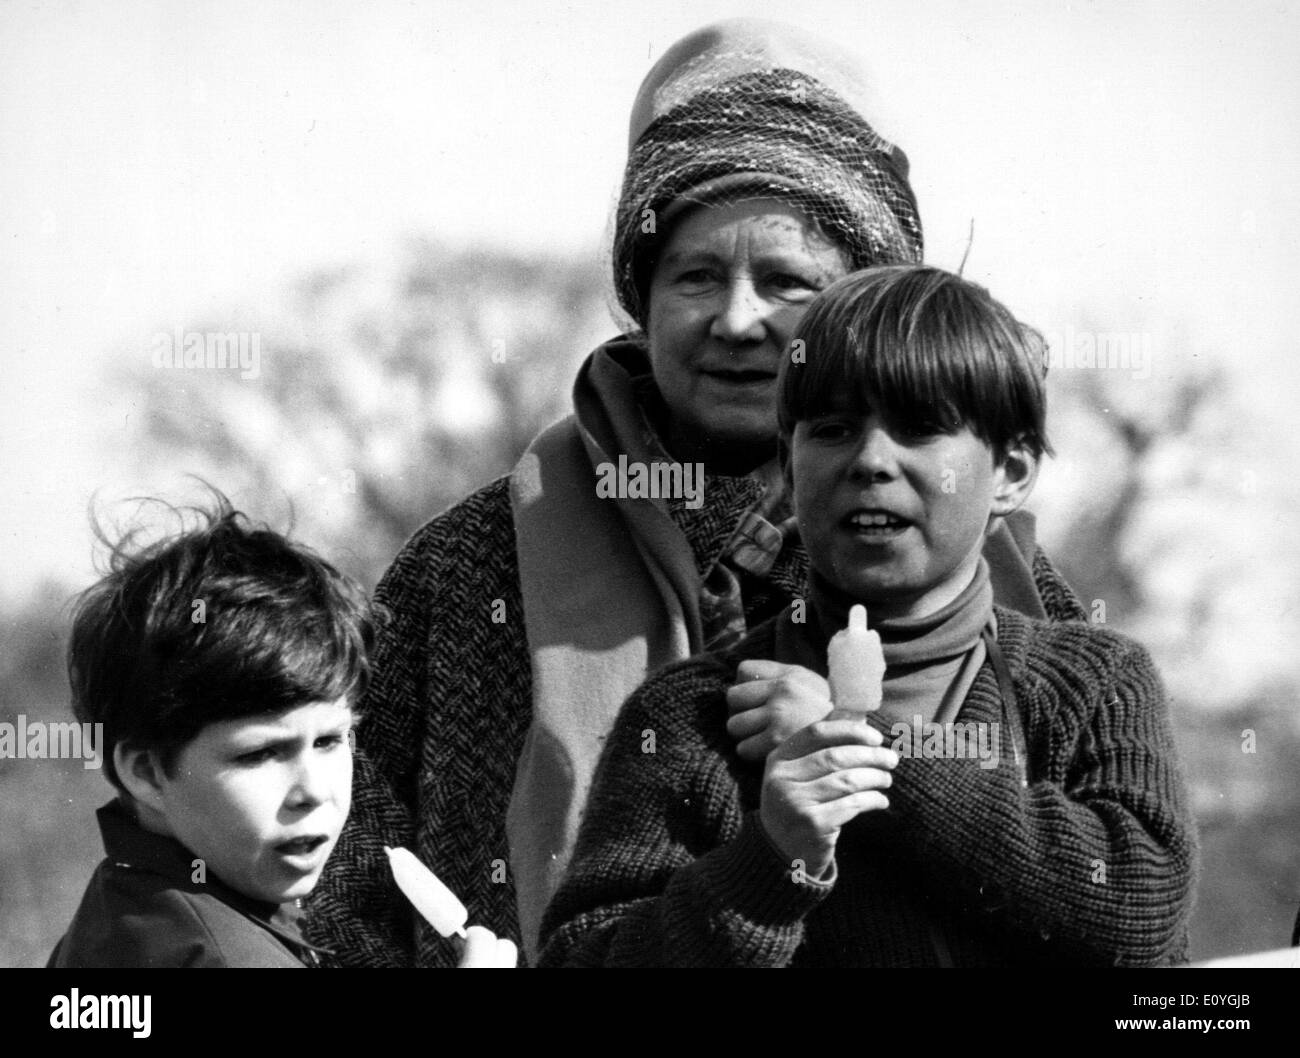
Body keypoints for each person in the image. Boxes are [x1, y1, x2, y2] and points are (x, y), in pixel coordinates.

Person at [308, 19, 1088, 967]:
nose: (737, 318)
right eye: (696, 277)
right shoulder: (472, 568)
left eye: (787, 280)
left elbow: (1112, 886)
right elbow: (346, 885)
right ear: (643, 295)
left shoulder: (992, 570)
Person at [537, 266, 1199, 967]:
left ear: (1011, 473)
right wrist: (772, 860)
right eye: (832, 429)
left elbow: (1138, 907)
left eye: (918, 428)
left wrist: (862, 750)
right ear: (790, 472)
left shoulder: (1094, 683)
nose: (871, 461)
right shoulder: (693, 718)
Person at [47, 495, 516, 968]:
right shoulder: (214, 954)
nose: (312, 791)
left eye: (331, 741)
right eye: (261, 754)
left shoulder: (131, 910)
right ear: (146, 772)